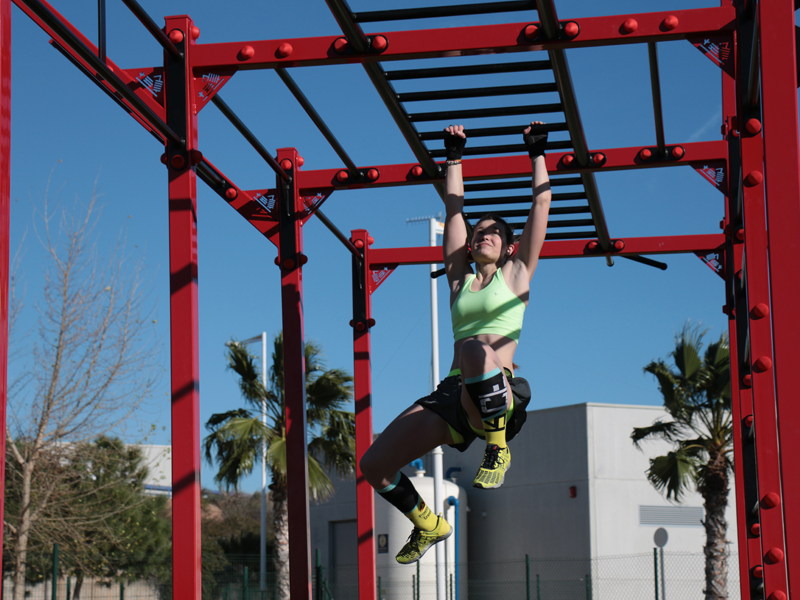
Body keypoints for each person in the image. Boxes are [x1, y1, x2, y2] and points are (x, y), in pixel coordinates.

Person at [359, 122, 552, 565]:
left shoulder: (518, 273)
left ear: (510, 248)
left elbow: (541, 202)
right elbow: (453, 210)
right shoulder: (458, 281)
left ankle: (497, 447)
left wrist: (537, 152)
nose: (484, 234)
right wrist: (453, 156)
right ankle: (429, 523)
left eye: (494, 232)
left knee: (472, 350)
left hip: (497, 390)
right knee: (373, 465)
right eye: (478, 231)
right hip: (454, 393)